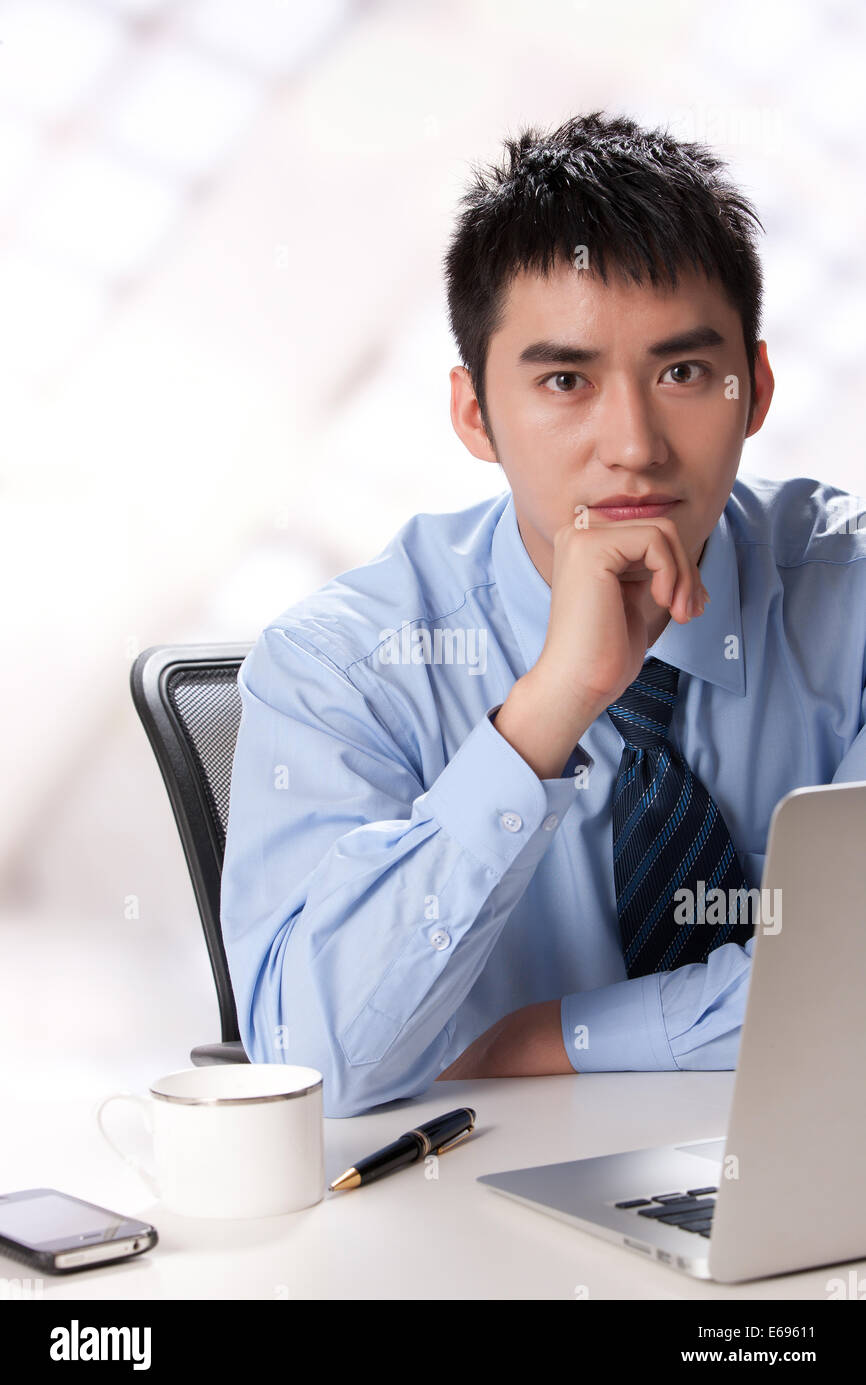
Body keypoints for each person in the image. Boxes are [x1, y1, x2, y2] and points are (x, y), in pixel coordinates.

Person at [220, 111, 866, 1118]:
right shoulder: (339, 664)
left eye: (682, 373)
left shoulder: (852, 596)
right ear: (474, 413)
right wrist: (546, 713)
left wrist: (560, 1036)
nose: (632, 444)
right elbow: (307, 1063)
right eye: (564, 380)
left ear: (756, 388)